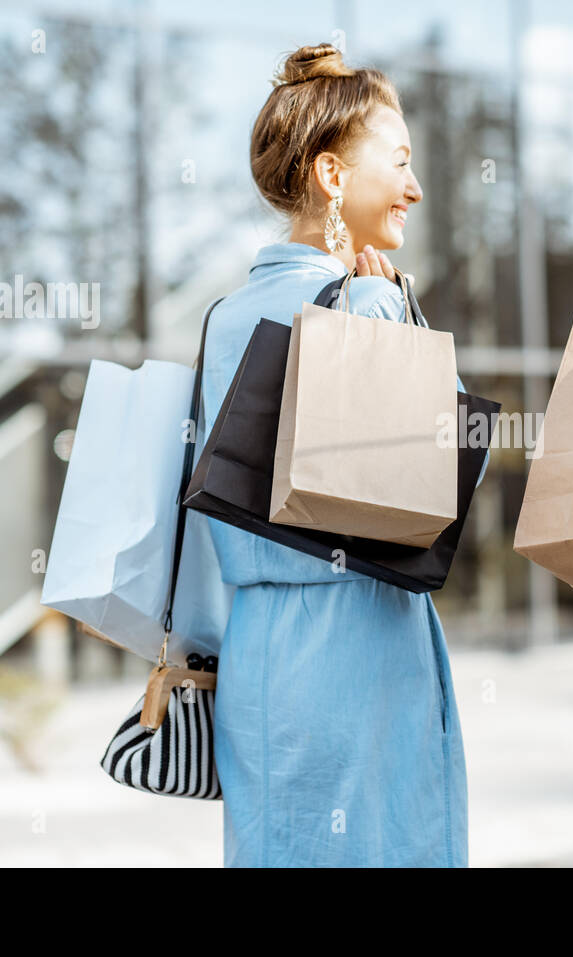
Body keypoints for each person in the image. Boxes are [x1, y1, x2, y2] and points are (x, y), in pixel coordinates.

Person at [198, 43, 472, 866]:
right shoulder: (375, 305)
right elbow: (450, 474)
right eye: (400, 162)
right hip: (360, 639)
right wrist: (401, 319)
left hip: (260, 652)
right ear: (332, 176)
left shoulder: (226, 316)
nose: (415, 187)